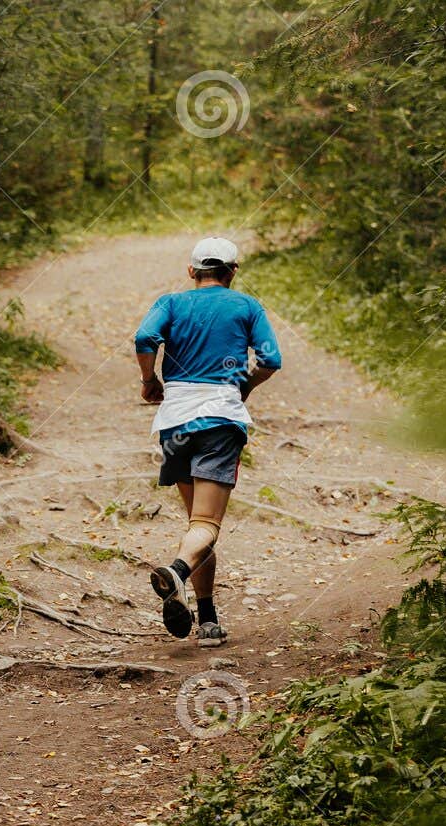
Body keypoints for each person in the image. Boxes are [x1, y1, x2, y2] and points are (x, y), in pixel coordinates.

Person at [133, 237, 281, 647]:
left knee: (197, 524)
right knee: (205, 527)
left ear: (191, 271)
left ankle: (208, 619)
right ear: (233, 272)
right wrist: (244, 388)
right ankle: (177, 572)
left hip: (175, 423)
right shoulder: (247, 306)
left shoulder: (171, 303)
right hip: (219, 421)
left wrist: (150, 381)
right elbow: (271, 360)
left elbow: (144, 338)